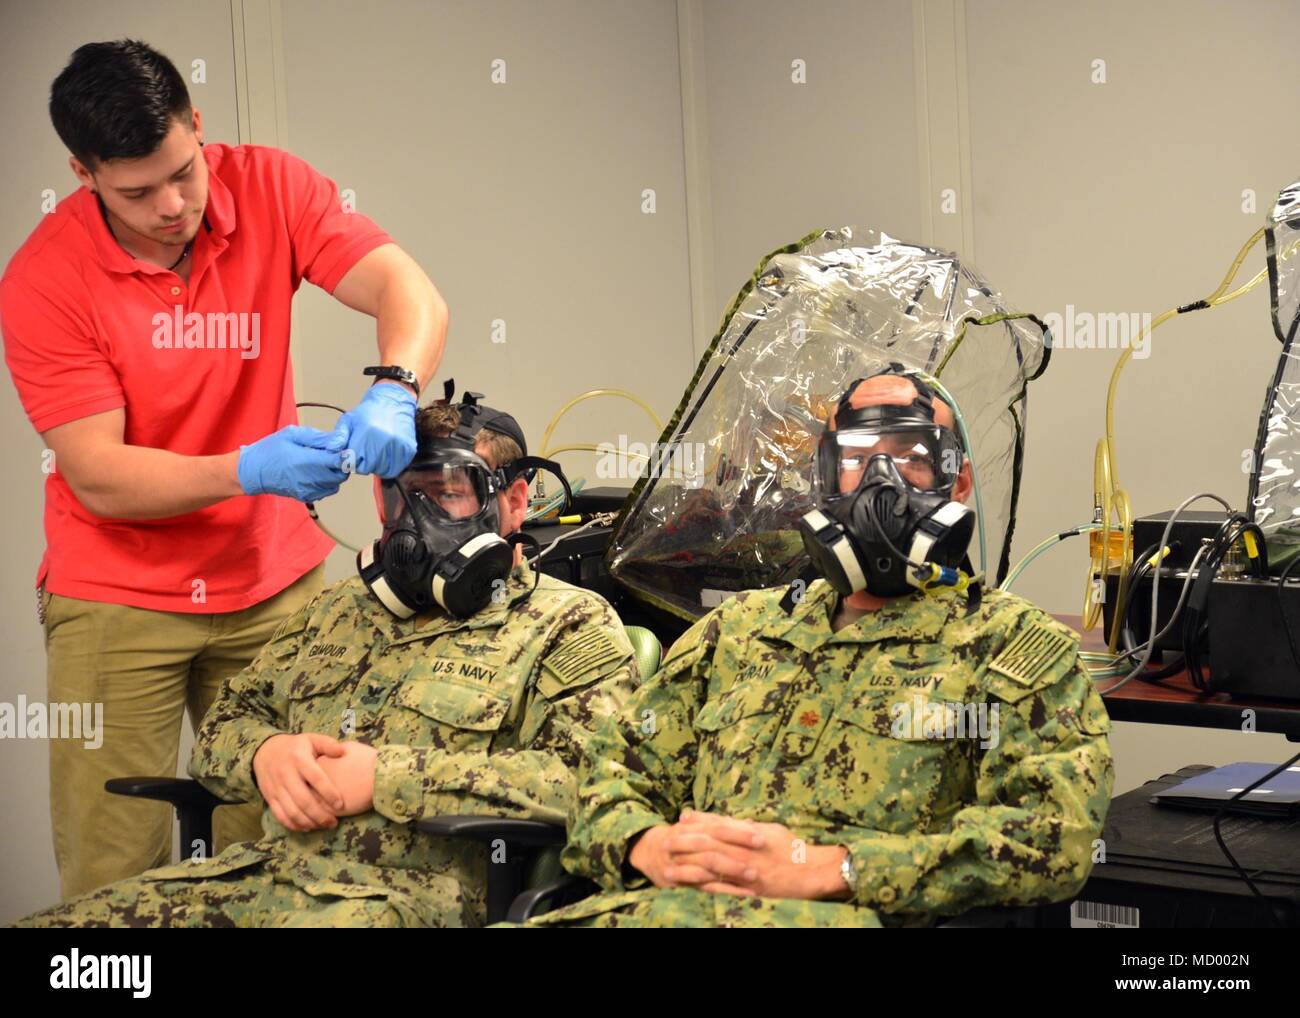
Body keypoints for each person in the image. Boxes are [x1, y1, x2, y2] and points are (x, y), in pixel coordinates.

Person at [0, 39, 448, 899]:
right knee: (112, 875)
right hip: (117, 602)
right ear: (82, 172)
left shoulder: (273, 186)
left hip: (272, 586)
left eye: (184, 172)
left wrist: (396, 387)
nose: (172, 206)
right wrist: (246, 468)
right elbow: (97, 474)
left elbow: (409, 290)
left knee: (288, 853)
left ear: (197, 126)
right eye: (136, 191)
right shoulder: (43, 280)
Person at [16, 394, 638, 927]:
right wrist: (265, 755)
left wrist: (384, 777)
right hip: (258, 883)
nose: (414, 520)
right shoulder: (337, 610)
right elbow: (220, 730)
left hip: (401, 903)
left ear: (514, 500)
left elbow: (593, 787)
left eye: (445, 493)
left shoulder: (568, 625)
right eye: (399, 494)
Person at [528, 365, 1114, 928]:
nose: (881, 479)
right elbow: (608, 771)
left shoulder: (1008, 645)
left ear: (957, 481)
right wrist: (645, 844)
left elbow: (1055, 837)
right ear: (825, 481)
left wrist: (841, 870)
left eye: (911, 456)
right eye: (856, 458)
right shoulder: (737, 630)